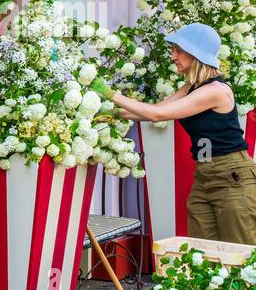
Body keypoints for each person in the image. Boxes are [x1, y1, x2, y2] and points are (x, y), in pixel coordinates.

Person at [96, 23, 256, 245]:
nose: (173, 56)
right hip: (204, 174)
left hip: (232, 175)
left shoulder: (215, 91)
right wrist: (109, 112)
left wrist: (109, 93)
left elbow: (157, 115)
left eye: (178, 50)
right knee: (201, 253)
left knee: (240, 253)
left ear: (195, 53)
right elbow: (154, 109)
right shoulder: (191, 87)